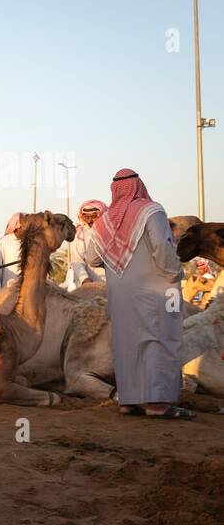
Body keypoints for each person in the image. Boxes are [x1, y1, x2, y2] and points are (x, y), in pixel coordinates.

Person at [83, 168, 193, 419]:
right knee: (158, 340)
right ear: (138, 186)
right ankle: (158, 405)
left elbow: (91, 257)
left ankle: (128, 402)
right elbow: (163, 249)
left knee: (126, 344)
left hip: (120, 294)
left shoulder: (104, 221)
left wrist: (116, 257)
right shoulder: (152, 211)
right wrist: (175, 274)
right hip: (155, 290)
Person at [65, 199, 107, 290]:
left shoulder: (111, 232)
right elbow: (77, 260)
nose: (90, 220)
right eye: (87, 217)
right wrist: (85, 280)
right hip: (88, 285)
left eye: (94, 216)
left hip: (110, 283)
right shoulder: (80, 233)